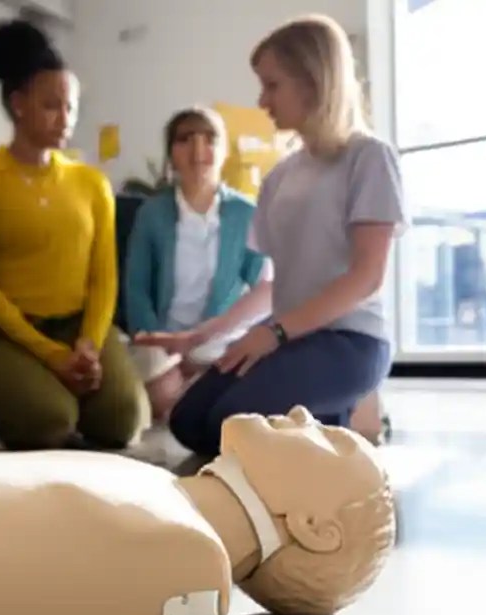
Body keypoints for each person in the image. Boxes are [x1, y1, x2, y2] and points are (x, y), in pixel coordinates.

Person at [168, 14, 405, 458]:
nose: (262, 100)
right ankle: (320, 431)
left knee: (229, 423)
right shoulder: (281, 176)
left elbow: (367, 277)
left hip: (351, 342)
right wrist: (201, 336)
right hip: (292, 336)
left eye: (272, 85)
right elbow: (272, 285)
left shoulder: (369, 157)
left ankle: (331, 429)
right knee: (188, 422)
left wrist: (273, 334)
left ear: (312, 82)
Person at [0, 20, 145, 450]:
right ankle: (22, 405)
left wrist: (89, 347)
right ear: (19, 104)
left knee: (122, 421)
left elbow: (104, 278)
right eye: (51, 105)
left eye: (71, 107)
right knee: (50, 421)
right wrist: (49, 353)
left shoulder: (91, 183)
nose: (66, 119)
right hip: (2, 334)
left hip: (77, 329)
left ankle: (56, 388)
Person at [126, 106, 273, 422]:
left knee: (230, 388)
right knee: (164, 392)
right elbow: (135, 288)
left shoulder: (245, 213)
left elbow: (265, 285)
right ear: (170, 154)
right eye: (185, 140)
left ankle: (197, 393)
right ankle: (189, 393)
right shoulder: (152, 214)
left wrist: (210, 338)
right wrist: (160, 341)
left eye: (210, 140)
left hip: (218, 338)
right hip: (163, 341)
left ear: (223, 152)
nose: (198, 152)